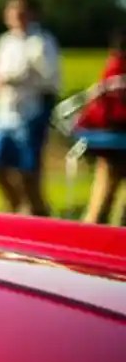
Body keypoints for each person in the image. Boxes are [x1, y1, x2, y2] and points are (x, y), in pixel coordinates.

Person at [0, 0, 61, 216]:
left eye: (22, 11)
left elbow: (51, 81)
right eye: (12, 10)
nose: (16, 15)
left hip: (29, 113)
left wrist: (20, 79)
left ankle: (39, 214)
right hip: (4, 114)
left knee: (28, 172)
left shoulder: (41, 43)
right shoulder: (4, 42)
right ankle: (15, 206)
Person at [77, 29, 126, 224]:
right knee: (103, 199)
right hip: (113, 144)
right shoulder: (114, 69)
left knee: (101, 201)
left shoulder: (112, 68)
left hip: (111, 142)